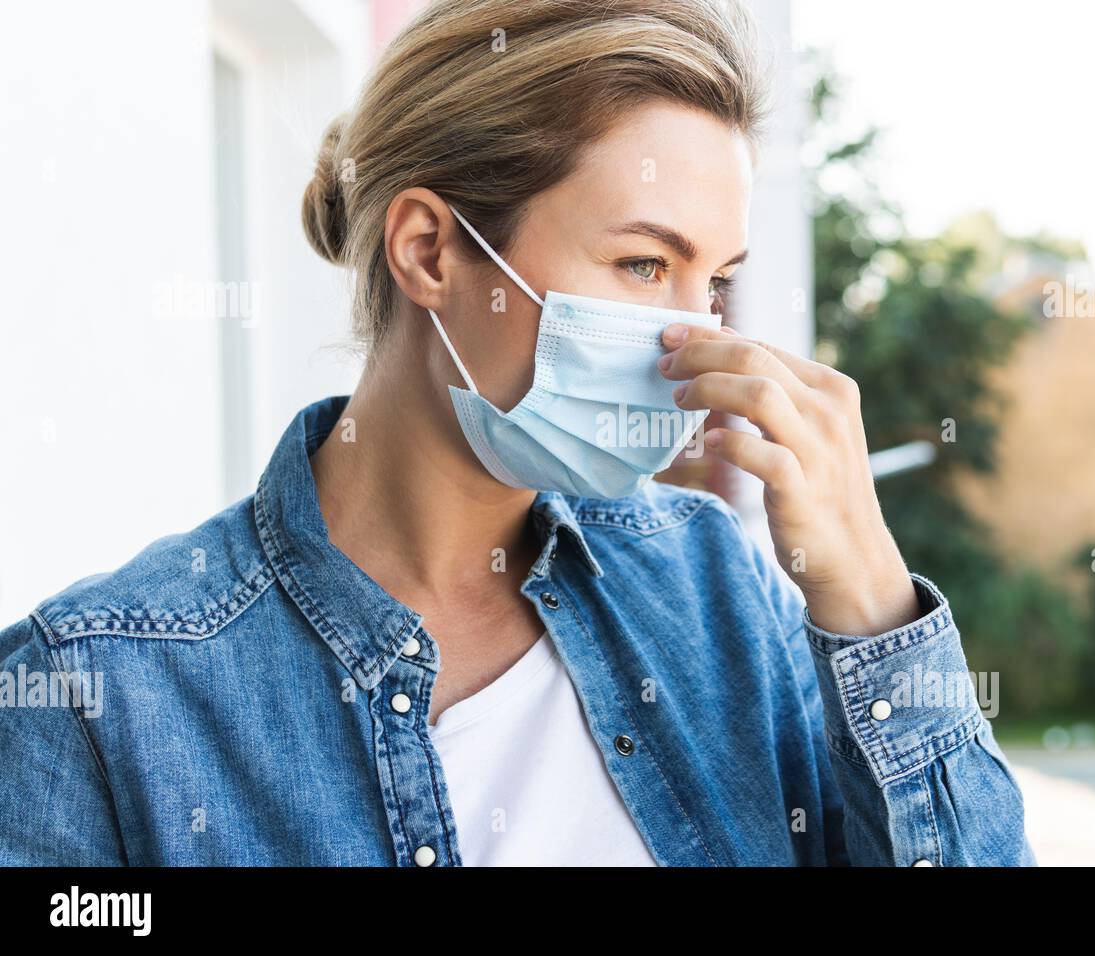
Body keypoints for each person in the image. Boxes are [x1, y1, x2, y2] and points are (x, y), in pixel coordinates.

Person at [0, 0, 1034, 866]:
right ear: (429, 250)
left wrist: (874, 602)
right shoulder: (95, 692)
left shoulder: (718, 585)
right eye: (642, 264)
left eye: (713, 279)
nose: (695, 334)